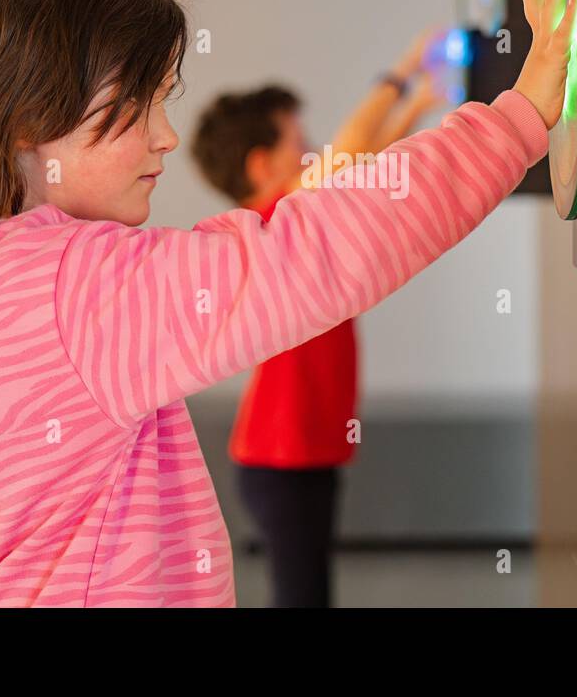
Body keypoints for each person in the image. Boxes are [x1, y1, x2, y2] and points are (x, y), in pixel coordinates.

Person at [0, 0, 577, 607]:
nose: (164, 136)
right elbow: (320, 250)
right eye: (136, 106)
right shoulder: (69, 289)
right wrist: (521, 115)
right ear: (28, 118)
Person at [189, 34, 445, 607]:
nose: (313, 152)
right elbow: (349, 155)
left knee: (309, 595)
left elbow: (361, 168)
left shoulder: (289, 217)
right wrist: (400, 71)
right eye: (299, 143)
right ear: (263, 165)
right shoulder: (272, 220)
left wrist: (415, 110)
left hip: (302, 456)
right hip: (282, 461)